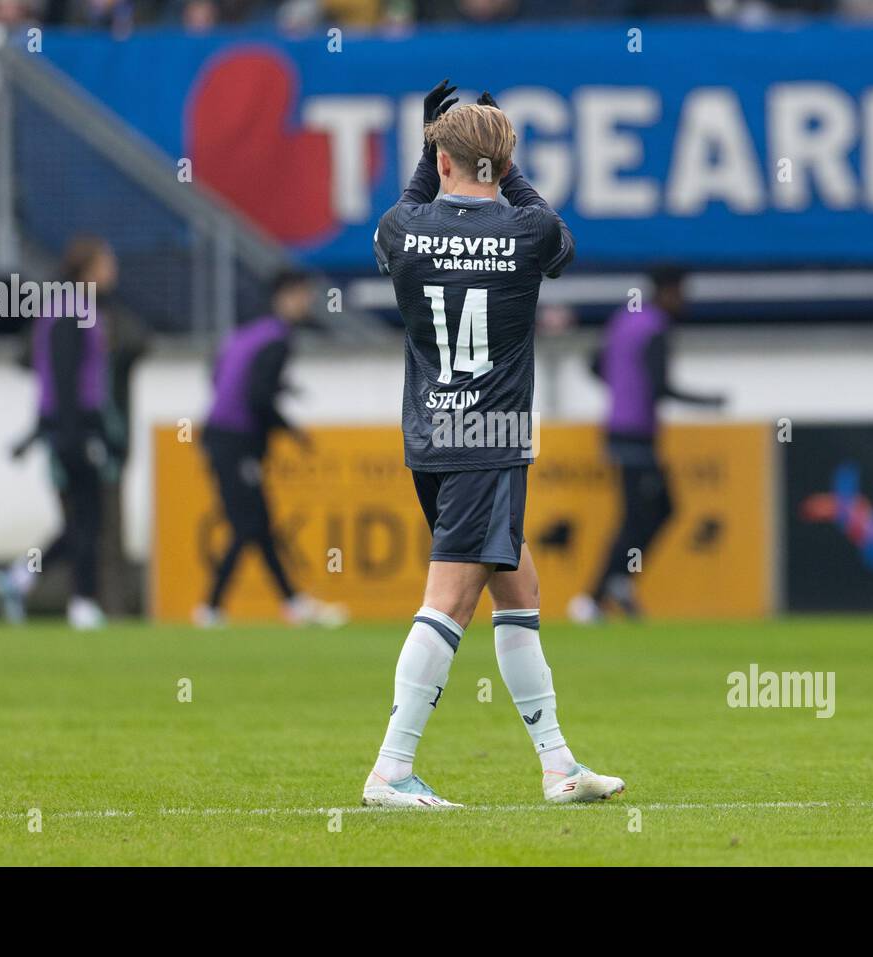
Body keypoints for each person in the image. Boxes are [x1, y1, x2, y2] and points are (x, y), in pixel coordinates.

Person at [362, 81, 624, 808]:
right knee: (449, 602)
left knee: (520, 591)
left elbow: (412, 213)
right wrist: (497, 161)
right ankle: (390, 768)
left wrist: (431, 144)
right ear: (504, 164)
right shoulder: (526, 232)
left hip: (431, 433)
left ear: (440, 161)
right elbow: (556, 234)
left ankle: (558, 765)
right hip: (493, 434)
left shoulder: (402, 228)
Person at [569, 268, 725, 623]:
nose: (684, 302)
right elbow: (660, 387)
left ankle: (620, 582)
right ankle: (591, 599)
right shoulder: (656, 328)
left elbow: (594, 364)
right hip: (635, 435)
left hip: (618, 430)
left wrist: (623, 388)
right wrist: (708, 403)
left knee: (657, 510)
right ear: (668, 291)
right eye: (681, 293)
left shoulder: (625, 319)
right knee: (639, 516)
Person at [192, 270, 347, 628]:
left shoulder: (248, 332)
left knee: (257, 525)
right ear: (285, 296)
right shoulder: (278, 339)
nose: (307, 302)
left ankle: (290, 603)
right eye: (302, 294)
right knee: (248, 525)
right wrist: (291, 430)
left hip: (220, 435)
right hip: (235, 441)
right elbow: (258, 396)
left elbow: (218, 375)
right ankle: (211, 609)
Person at [0, 237, 121, 629]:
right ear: (88, 271)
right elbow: (65, 382)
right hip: (71, 430)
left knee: (83, 521)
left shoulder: (74, 309)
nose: (112, 272)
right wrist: (75, 434)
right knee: (84, 517)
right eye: (105, 264)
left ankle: (20, 578)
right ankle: (80, 603)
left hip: (71, 426)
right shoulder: (71, 312)